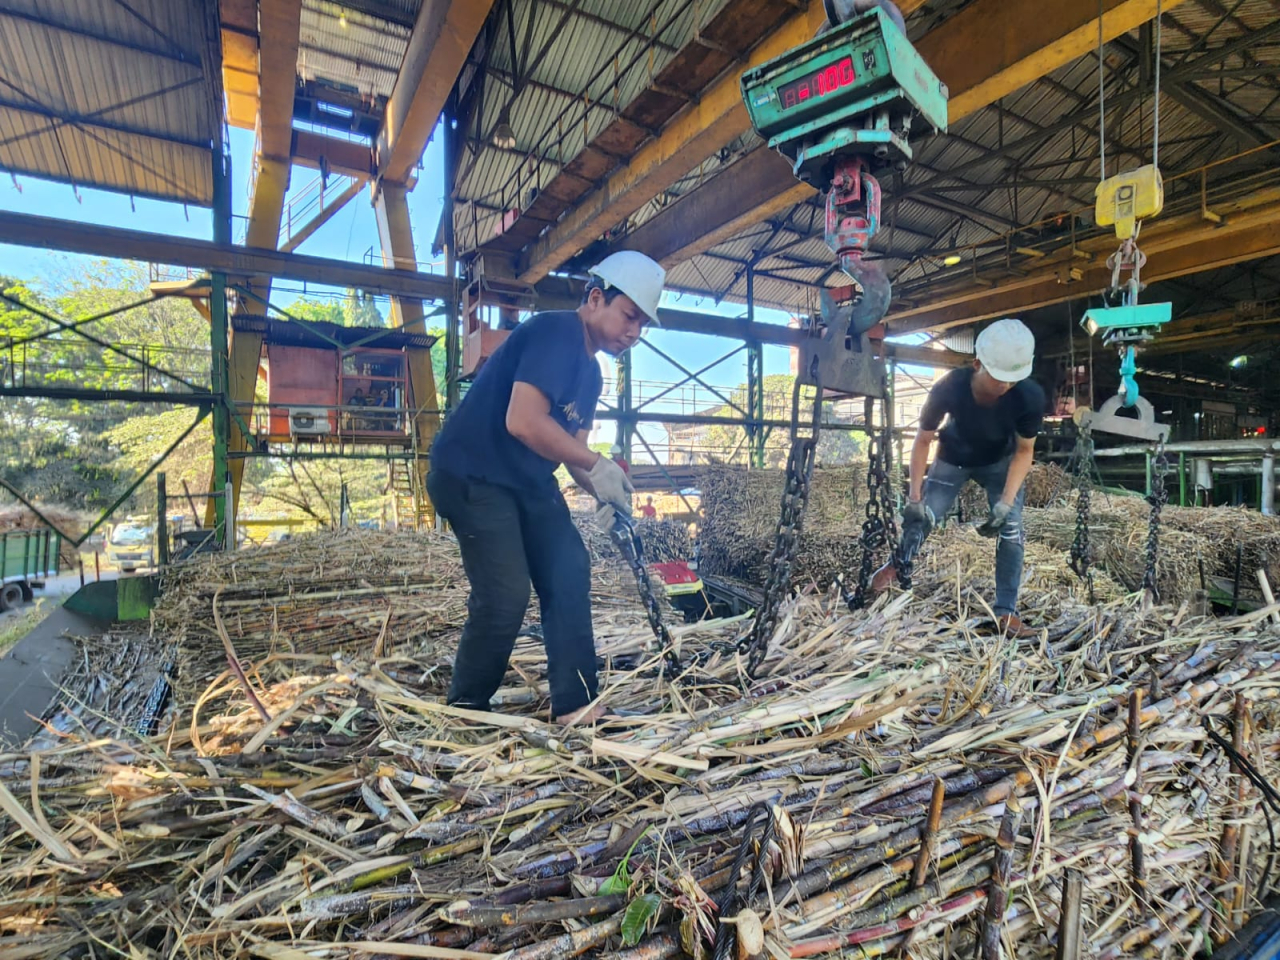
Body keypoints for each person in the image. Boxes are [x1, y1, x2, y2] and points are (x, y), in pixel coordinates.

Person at [427, 251, 665, 725]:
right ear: (596, 299)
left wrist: (602, 487)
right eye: (629, 316)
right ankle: (467, 710)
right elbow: (523, 422)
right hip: (473, 471)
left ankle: (575, 707)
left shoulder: (592, 374)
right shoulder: (552, 332)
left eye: (642, 325)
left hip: (526, 478)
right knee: (506, 591)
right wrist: (596, 464)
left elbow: (570, 449)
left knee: (569, 566)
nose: (634, 332)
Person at [869, 318, 1045, 637]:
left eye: (1012, 379)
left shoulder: (1029, 397)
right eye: (999, 377)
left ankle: (1006, 611)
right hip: (953, 458)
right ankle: (898, 564)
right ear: (978, 364)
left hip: (1000, 462)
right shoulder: (949, 387)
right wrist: (914, 498)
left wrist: (1006, 504)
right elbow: (923, 440)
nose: (1006, 386)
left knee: (1013, 530)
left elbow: (1024, 451)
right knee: (926, 515)